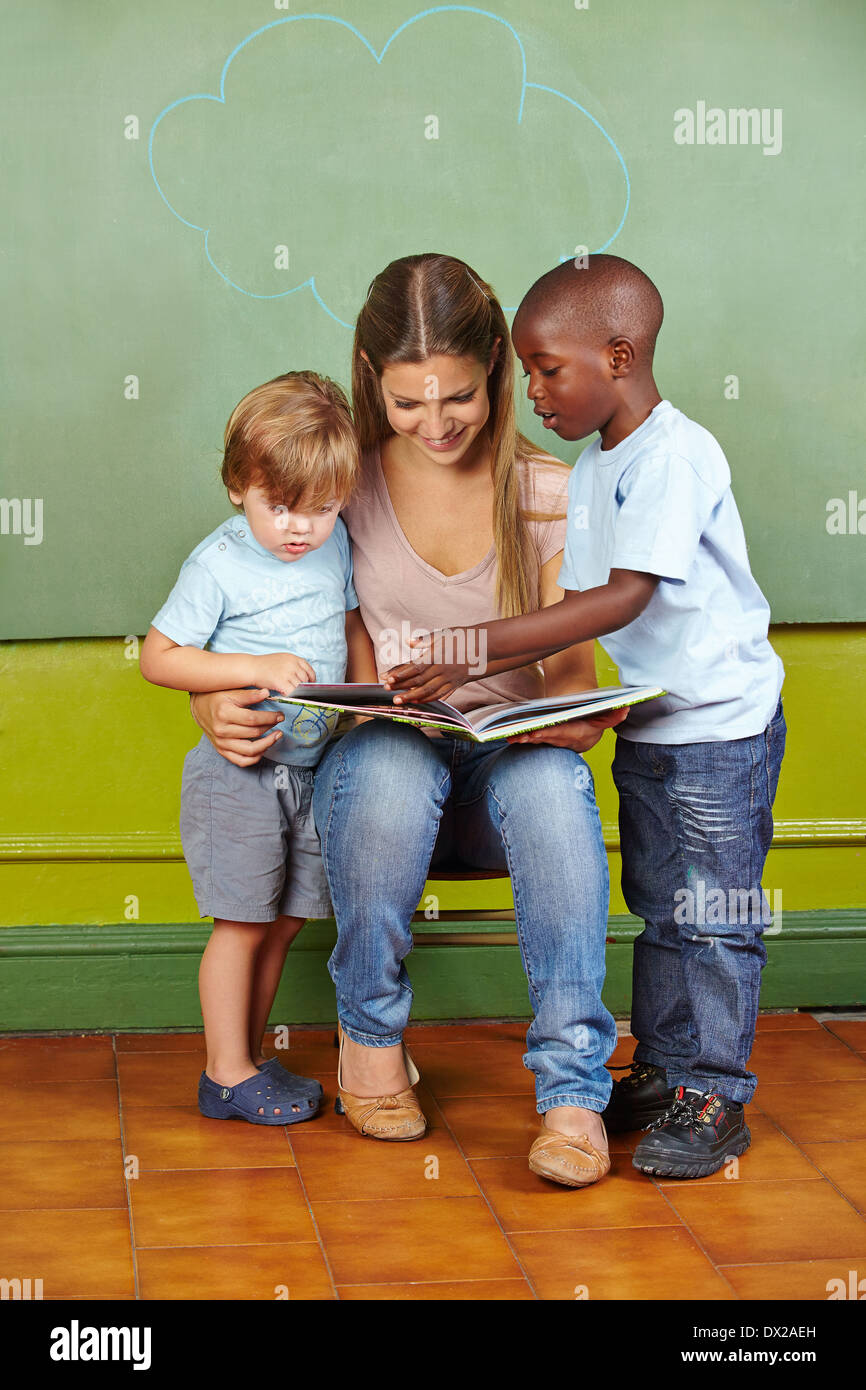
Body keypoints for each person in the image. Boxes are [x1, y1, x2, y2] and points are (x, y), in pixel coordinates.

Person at [191, 253, 625, 1188]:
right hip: (380, 777)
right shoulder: (343, 488)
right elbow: (258, 617)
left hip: (506, 768)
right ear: (369, 378)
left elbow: (575, 672)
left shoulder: (546, 491)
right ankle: (370, 1042)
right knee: (391, 762)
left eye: (459, 399)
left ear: (497, 366)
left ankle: (573, 1092)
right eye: (408, 404)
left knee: (554, 784)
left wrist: (572, 721)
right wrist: (209, 693)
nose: (437, 425)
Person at [385, 253, 786, 1180]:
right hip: (654, 726)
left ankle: (715, 1093)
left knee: (713, 918)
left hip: (720, 731)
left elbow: (622, 601)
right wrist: (581, 717)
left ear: (617, 354)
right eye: (525, 370)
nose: (531, 389)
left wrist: (467, 650)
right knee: (658, 911)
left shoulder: (677, 455)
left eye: (546, 368)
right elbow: (590, 610)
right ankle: (665, 1068)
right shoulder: (595, 465)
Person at [140, 370, 371, 1125]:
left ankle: (243, 1060)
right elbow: (160, 656)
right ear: (240, 485)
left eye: (323, 508)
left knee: (284, 921)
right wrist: (251, 668)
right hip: (239, 772)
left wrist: (367, 705)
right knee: (240, 923)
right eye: (282, 507)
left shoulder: (330, 549)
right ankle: (228, 1071)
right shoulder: (219, 563)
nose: (301, 527)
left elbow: (349, 630)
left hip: (308, 773)